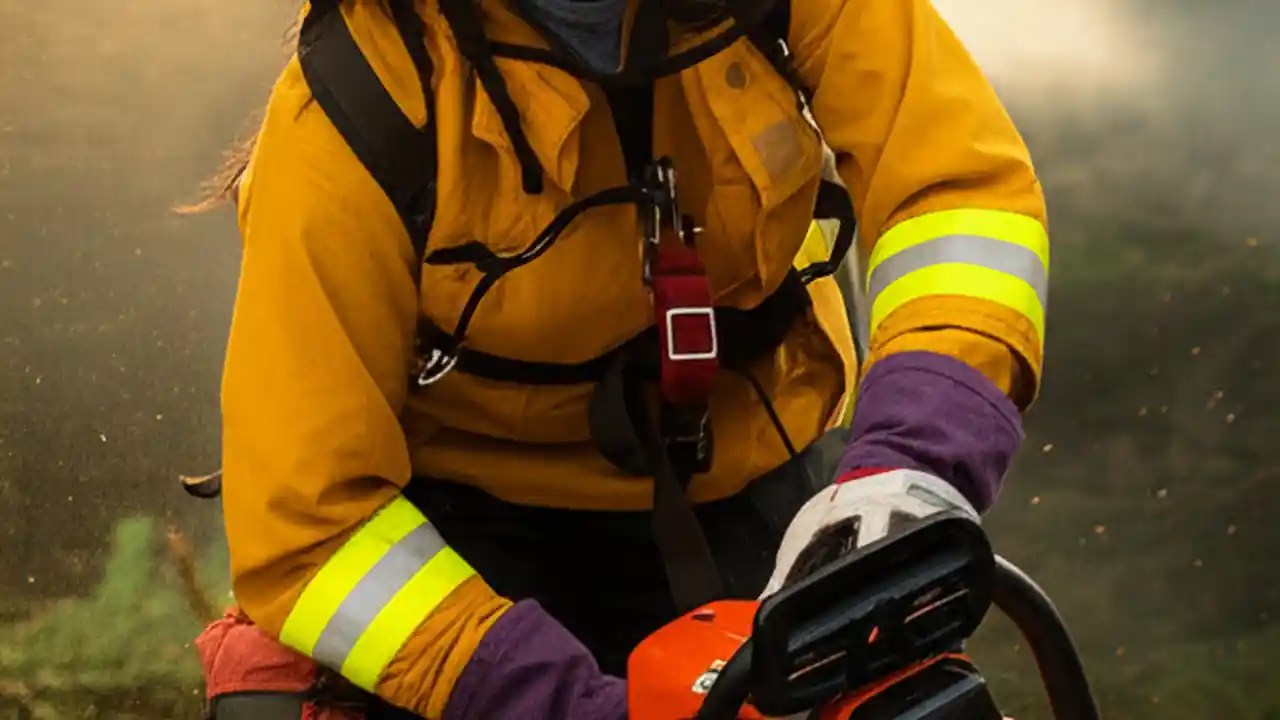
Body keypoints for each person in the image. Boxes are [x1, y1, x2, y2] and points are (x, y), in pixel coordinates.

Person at [192, 0, 1048, 716]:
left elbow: (958, 194)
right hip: (460, 540)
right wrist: (558, 704)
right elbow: (312, 519)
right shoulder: (353, 98)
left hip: (755, 481)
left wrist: (912, 464)